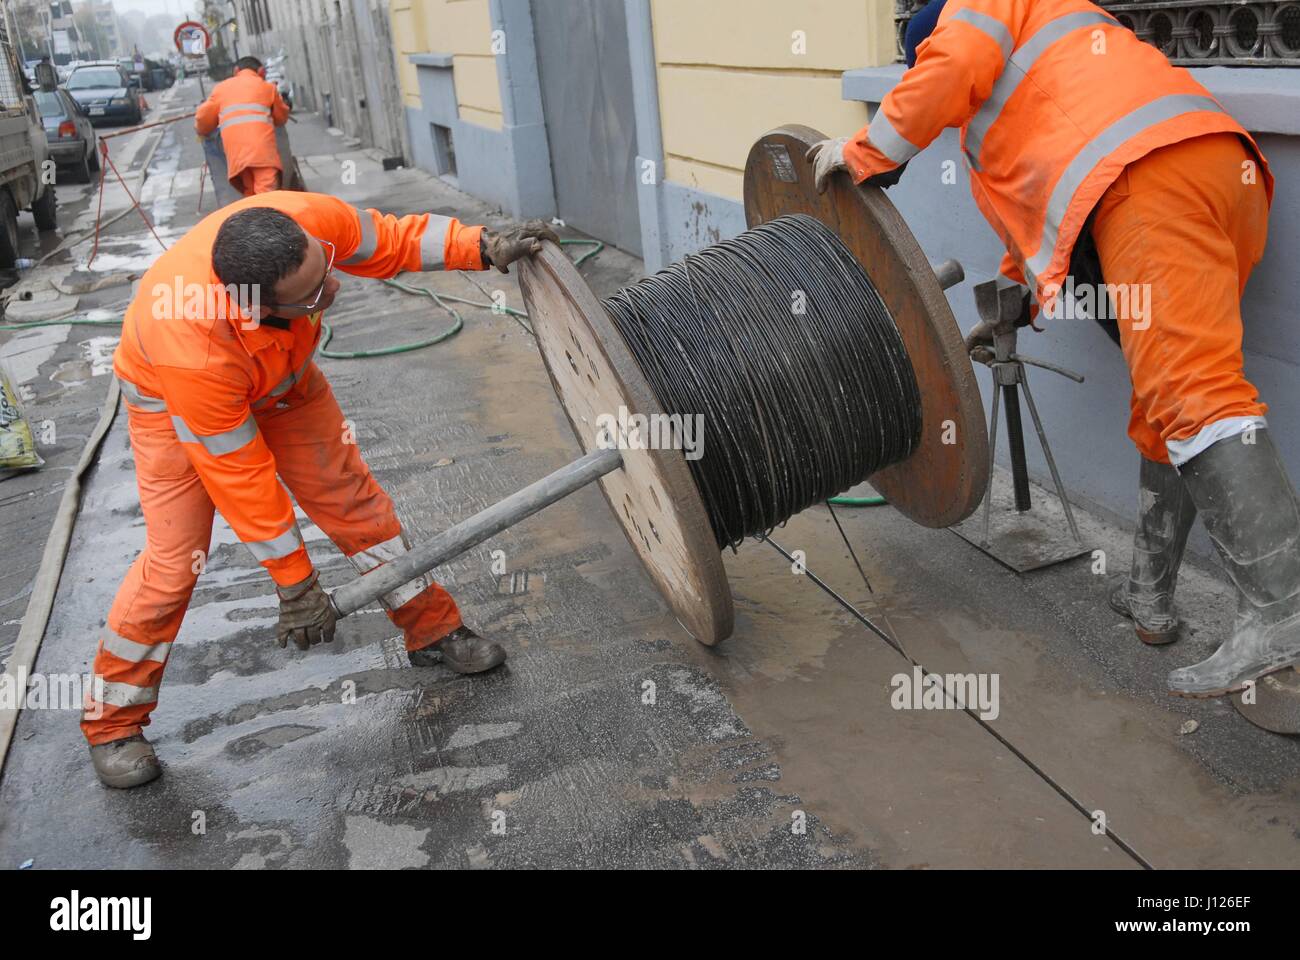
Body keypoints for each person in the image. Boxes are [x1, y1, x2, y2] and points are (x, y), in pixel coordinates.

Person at [807, 0, 1298, 698]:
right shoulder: (1045, 77)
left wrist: (864, 153)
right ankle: (1149, 598)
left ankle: (1284, 610)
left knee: (1193, 391)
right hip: (1216, 171)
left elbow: (948, 66)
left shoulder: (975, 13)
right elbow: (1037, 234)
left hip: (1148, 180)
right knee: (1166, 397)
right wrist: (1006, 315)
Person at [83, 190, 557, 787]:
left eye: (325, 269)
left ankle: (433, 631)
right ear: (256, 309)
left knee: (355, 505)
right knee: (174, 562)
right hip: (174, 404)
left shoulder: (303, 221)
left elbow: (392, 238)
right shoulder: (194, 349)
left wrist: (481, 246)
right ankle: (113, 721)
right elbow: (241, 475)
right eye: (312, 294)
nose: (332, 290)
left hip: (283, 377)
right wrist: (296, 585)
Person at [195, 55, 291, 195]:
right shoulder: (268, 88)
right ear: (261, 72)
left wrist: (201, 131)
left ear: (236, 71)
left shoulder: (221, 89)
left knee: (250, 194)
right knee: (266, 196)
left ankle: (254, 216)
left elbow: (203, 120)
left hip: (237, 157)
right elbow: (281, 118)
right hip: (263, 154)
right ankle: (264, 216)